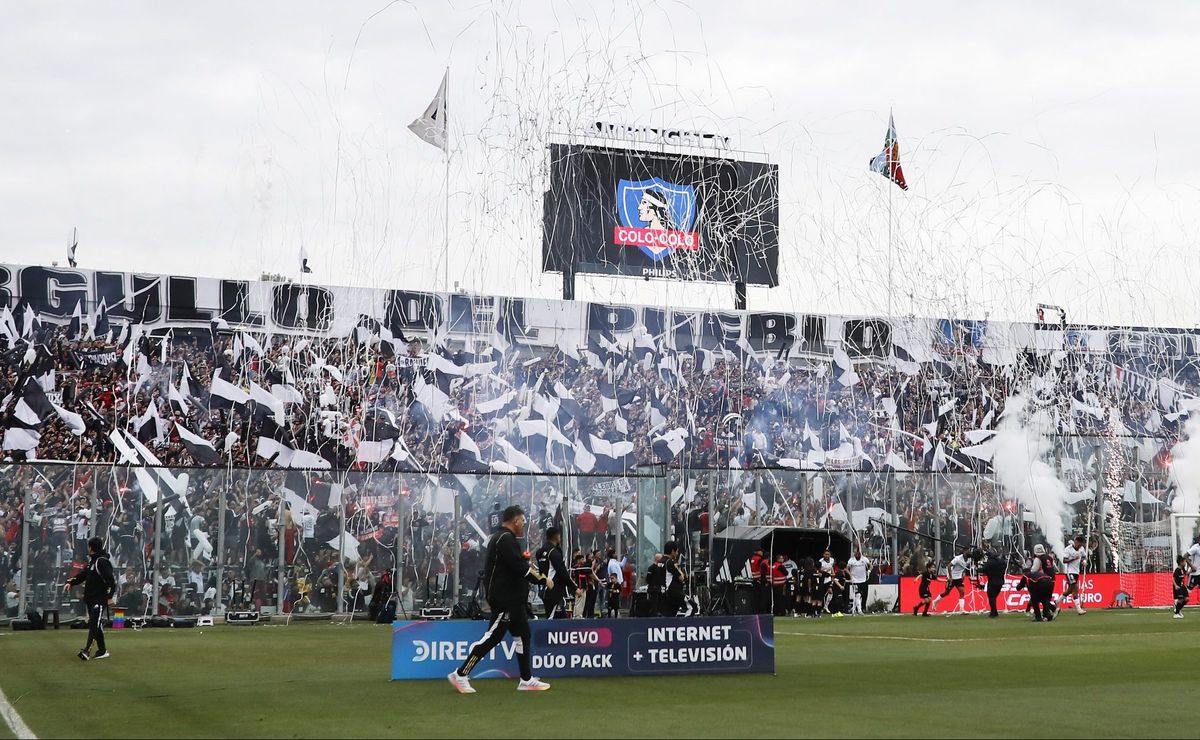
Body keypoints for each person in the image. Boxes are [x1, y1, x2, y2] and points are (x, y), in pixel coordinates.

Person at [448, 506, 551, 693]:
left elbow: (518, 566)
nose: (525, 524)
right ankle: (461, 674)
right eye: (523, 521)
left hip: (515, 600)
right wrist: (544, 580)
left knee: (523, 636)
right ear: (516, 521)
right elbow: (521, 568)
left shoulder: (505, 539)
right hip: (506, 600)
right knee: (492, 638)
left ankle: (526, 680)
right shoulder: (505, 539)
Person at [65, 536, 116, 661]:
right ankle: (102, 650)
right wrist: (71, 582)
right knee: (96, 624)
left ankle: (87, 650)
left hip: (99, 599)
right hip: (91, 598)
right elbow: (84, 575)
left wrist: (109, 597)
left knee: (94, 623)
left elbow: (111, 581)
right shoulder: (93, 562)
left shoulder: (101, 562)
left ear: (91, 547)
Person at [539, 527, 569, 619]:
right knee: (554, 620)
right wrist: (574, 588)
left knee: (559, 617)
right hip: (553, 591)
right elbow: (562, 572)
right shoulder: (554, 552)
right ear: (557, 536)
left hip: (545, 589)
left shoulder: (540, 551)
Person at [932, 547, 971, 615]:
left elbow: (964, 567)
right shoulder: (958, 559)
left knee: (962, 592)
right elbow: (949, 566)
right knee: (946, 593)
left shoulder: (969, 560)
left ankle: (962, 610)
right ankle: (935, 601)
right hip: (952, 577)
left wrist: (963, 573)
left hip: (958, 578)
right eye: (967, 550)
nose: (968, 552)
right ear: (964, 551)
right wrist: (950, 577)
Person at [1025, 544, 1057, 622]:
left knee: (1040, 598)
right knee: (1046, 598)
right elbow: (1055, 568)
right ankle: (1047, 614)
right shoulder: (1049, 557)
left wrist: (1028, 570)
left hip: (1042, 580)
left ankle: (1048, 612)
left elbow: (1034, 570)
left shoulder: (1038, 558)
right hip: (1052, 580)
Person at [1057, 535, 1087, 615]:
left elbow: (1084, 556)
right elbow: (1064, 560)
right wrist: (1074, 558)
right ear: (1076, 542)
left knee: (1072, 589)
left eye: (1081, 545)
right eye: (1079, 544)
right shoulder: (1068, 549)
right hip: (1069, 571)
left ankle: (1057, 601)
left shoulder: (1081, 549)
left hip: (1076, 571)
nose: (1080, 546)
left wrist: (1083, 561)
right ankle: (1078, 609)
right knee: (1074, 587)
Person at [979, 548, 1008, 618]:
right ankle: (994, 611)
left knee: (991, 597)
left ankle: (994, 612)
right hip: (1000, 582)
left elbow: (983, 570)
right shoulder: (1001, 561)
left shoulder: (990, 562)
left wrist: (978, 568)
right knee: (994, 597)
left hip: (992, 582)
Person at [663, 541, 687, 617]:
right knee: (693, 607)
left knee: (669, 615)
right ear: (672, 551)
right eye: (676, 551)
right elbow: (681, 577)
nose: (677, 554)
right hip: (673, 593)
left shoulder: (660, 561)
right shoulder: (670, 562)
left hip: (662, 594)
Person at [846, 547, 871, 615]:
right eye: (856, 553)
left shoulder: (864, 559)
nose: (857, 555)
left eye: (859, 553)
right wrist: (850, 574)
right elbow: (846, 568)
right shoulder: (851, 560)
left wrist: (869, 570)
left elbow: (871, 566)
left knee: (864, 595)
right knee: (857, 595)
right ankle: (859, 610)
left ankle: (862, 608)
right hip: (855, 580)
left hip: (864, 580)